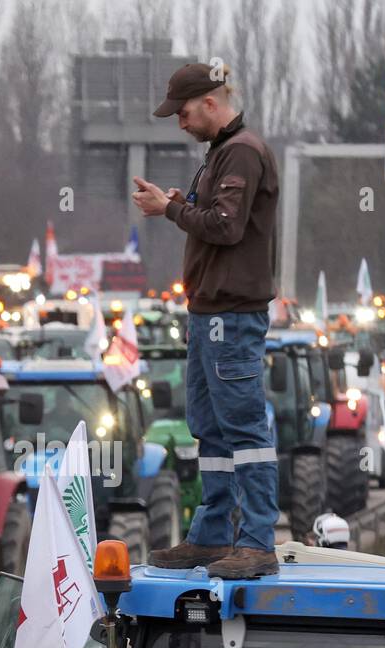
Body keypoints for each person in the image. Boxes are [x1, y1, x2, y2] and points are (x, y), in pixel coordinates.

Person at [133, 64, 281, 581]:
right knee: (212, 430)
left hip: (232, 315)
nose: (179, 122)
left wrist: (174, 212)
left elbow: (224, 225)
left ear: (211, 103)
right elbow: (213, 213)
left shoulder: (241, 151)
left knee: (243, 427)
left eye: (183, 111)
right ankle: (214, 534)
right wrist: (176, 202)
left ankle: (259, 539)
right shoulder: (220, 154)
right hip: (208, 314)